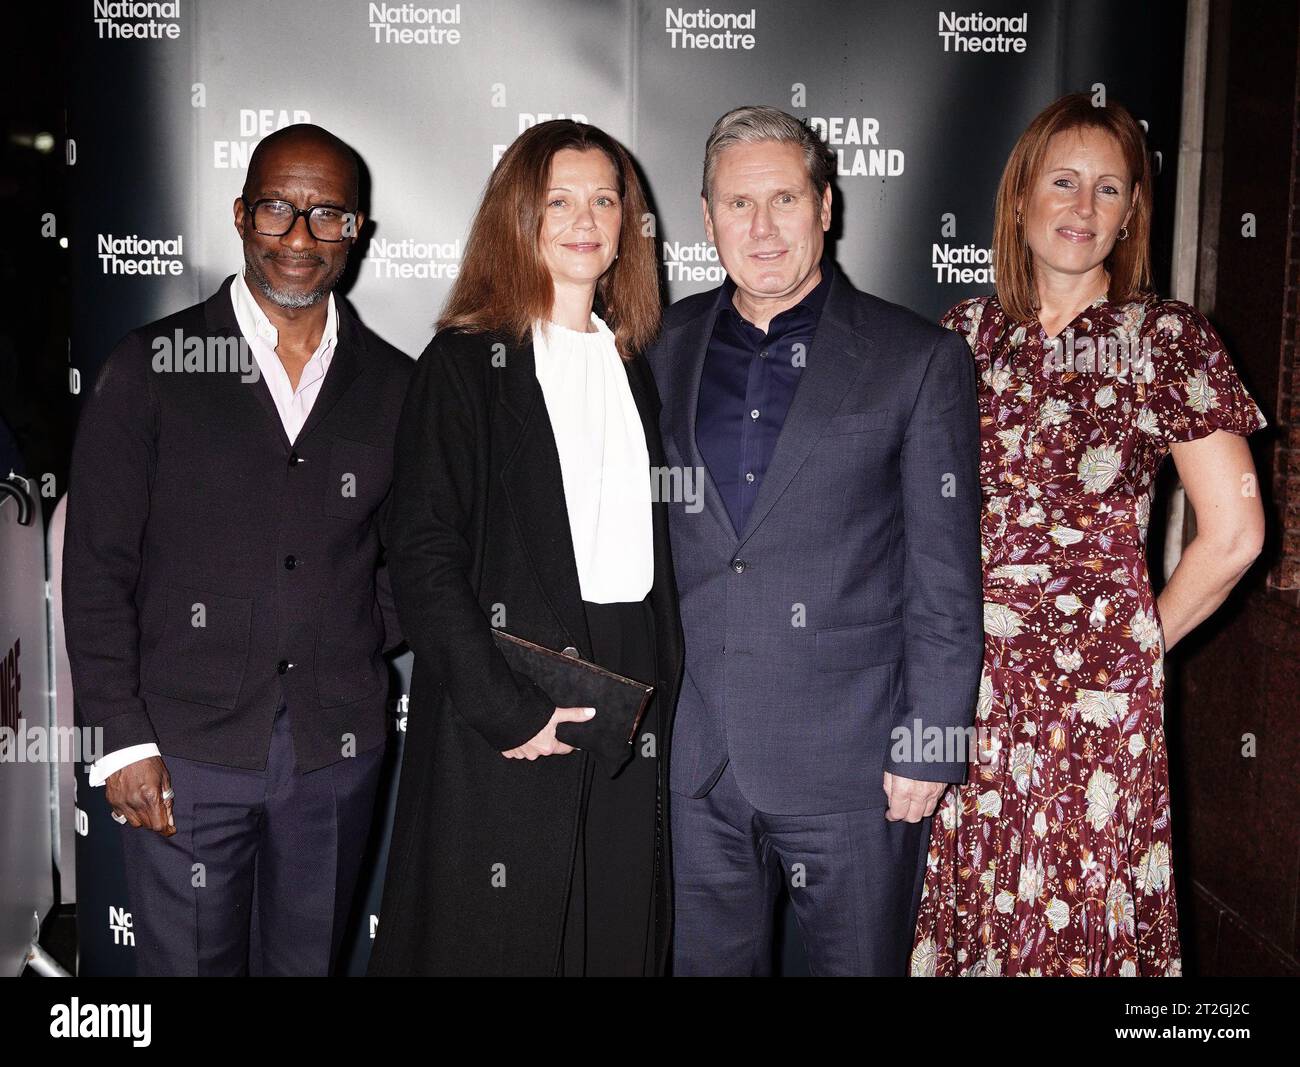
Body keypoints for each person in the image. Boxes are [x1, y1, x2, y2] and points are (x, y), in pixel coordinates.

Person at [911, 93, 1267, 977]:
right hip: (971, 688)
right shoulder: (963, 336)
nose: (1082, 208)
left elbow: (1235, 534)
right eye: (1063, 182)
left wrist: (1132, 647)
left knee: (1079, 921)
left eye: (1109, 190)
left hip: (1096, 710)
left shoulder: (1168, 340)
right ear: (1021, 195)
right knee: (980, 908)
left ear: (1131, 213)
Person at [63, 124, 411, 975]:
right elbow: (97, 567)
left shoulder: (400, 385)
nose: (299, 236)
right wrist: (123, 739)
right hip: (181, 757)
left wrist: (353, 629)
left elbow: (413, 557)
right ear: (240, 215)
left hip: (335, 755)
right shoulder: (149, 367)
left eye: (325, 214)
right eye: (277, 209)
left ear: (355, 229)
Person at [644, 105, 984, 976]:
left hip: (857, 770)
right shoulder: (658, 349)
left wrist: (934, 742)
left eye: (784, 199)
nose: (760, 228)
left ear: (826, 206)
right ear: (708, 215)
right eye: (736, 204)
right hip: (695, 764)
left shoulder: (917, 359)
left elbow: (944, 573)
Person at [367, 120, 683, 976]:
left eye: (605, 200)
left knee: (612, 937)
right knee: (501, 944)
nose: (585, 219)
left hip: (624, 696)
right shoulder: (465, 362)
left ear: (627, 224)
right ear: (519, 217)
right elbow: (423, 555)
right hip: (510, 695)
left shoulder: (635, 364)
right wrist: (508, 709)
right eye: (559, 201)